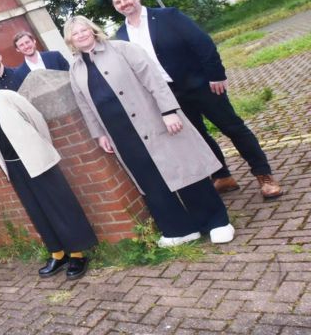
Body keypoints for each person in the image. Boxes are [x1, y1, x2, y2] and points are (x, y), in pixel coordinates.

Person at [64, 15, 235, 247]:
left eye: (84, 30)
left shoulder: (123, 49)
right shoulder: (75, 70)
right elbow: (85, 106)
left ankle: (216, 222)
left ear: (93, 30)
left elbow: (154, 79)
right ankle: (179, 230)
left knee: (183, 170)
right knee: (151, 182)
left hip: (154, 122)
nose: (81, 35)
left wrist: (169, 111)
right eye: (75, 33)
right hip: (121, 134)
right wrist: (100, 134)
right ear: (70, 40)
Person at [109, 0, 283, 199]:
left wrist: (216, 74)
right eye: (118, 2)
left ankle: (263, 175)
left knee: (233, 128)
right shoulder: (121, 34)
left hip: (202, 85)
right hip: (170, 94)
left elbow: (202, 43)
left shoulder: (168, 16)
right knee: (198, 137)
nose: (124, 4)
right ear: (115, 8)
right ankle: (223, 176)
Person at [0, 70, 96, 279]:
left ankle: (77, 254)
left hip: (37, 161)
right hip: (15, 167)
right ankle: (58, 253)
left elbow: (37, 119)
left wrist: (43, 150)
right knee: (37, 211)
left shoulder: (9, 97)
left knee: (58, 207)